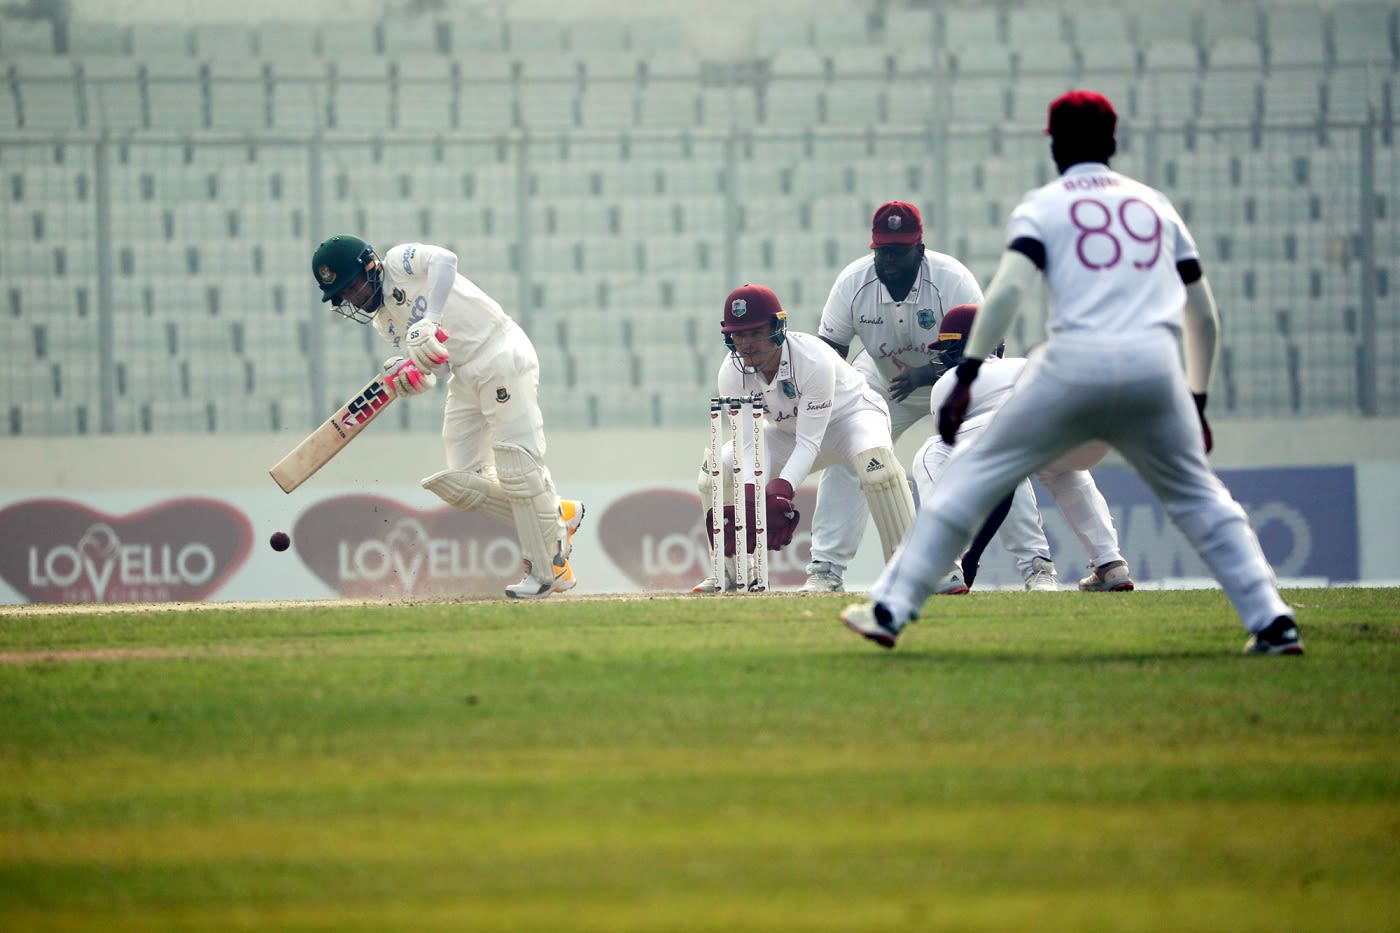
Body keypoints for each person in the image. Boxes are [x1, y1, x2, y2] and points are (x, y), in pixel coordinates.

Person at [840, 90, 1303, 655]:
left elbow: (1007, 293)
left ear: (1055, 145)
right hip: (1154, 368)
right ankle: (1272, 620)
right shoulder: (1155, 206)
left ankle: (891, 609)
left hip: (1073, 366)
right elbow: (1203, 314)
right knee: (1202, 500)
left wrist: (968, 372)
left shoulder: (1045, 205)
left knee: (967, 476)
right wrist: (1197, 398)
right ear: (1112, 141)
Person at [311, 234, 583, 600]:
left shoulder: (399, 261)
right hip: (464, 374)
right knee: (463, 484)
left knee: (517, 466)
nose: (352, 297)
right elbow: (434, 366)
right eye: (343, 295)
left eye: (351, 285)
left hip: (498, 350)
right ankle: (557, 513)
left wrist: (430, 319)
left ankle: (549, 570)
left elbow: (446, 260)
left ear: (370, 266)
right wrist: (412, 378)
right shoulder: (385, 322)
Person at [802, 201, 985, 593]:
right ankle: (826, 568)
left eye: (900, 251)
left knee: (989, 453)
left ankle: (1033, 564)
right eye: (883, 250)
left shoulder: (953, 280)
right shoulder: (853, 282)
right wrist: (827, 408)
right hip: (885, 383)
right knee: (849, 450)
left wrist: (926, 373)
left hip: (955, 384)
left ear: (920, 249)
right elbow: (828, 356)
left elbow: (988, 351)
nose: (890, 260)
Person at [693, 284, 916, 592]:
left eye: (755, 333)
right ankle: (732, 574)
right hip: (788, 432)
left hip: (852, 420)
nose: (746, 344)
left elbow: (810, 443)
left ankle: (913, 571)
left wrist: (781, 490)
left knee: (877, 468)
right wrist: (751, 496)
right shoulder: (732, 372)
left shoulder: (812, 359)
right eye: (738, 335)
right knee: (717, 470)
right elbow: (749, 444)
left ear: (777, 328)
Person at [913, 303, 1134, 594]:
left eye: (946, 347)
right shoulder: (1022, 365)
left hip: (1030, 421)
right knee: (1062, 471)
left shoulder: (950, 381)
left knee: (932, 453)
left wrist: (971, 557)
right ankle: (1110, 565)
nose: (942, 356)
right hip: (1091, 427)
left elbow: (1000, 488)